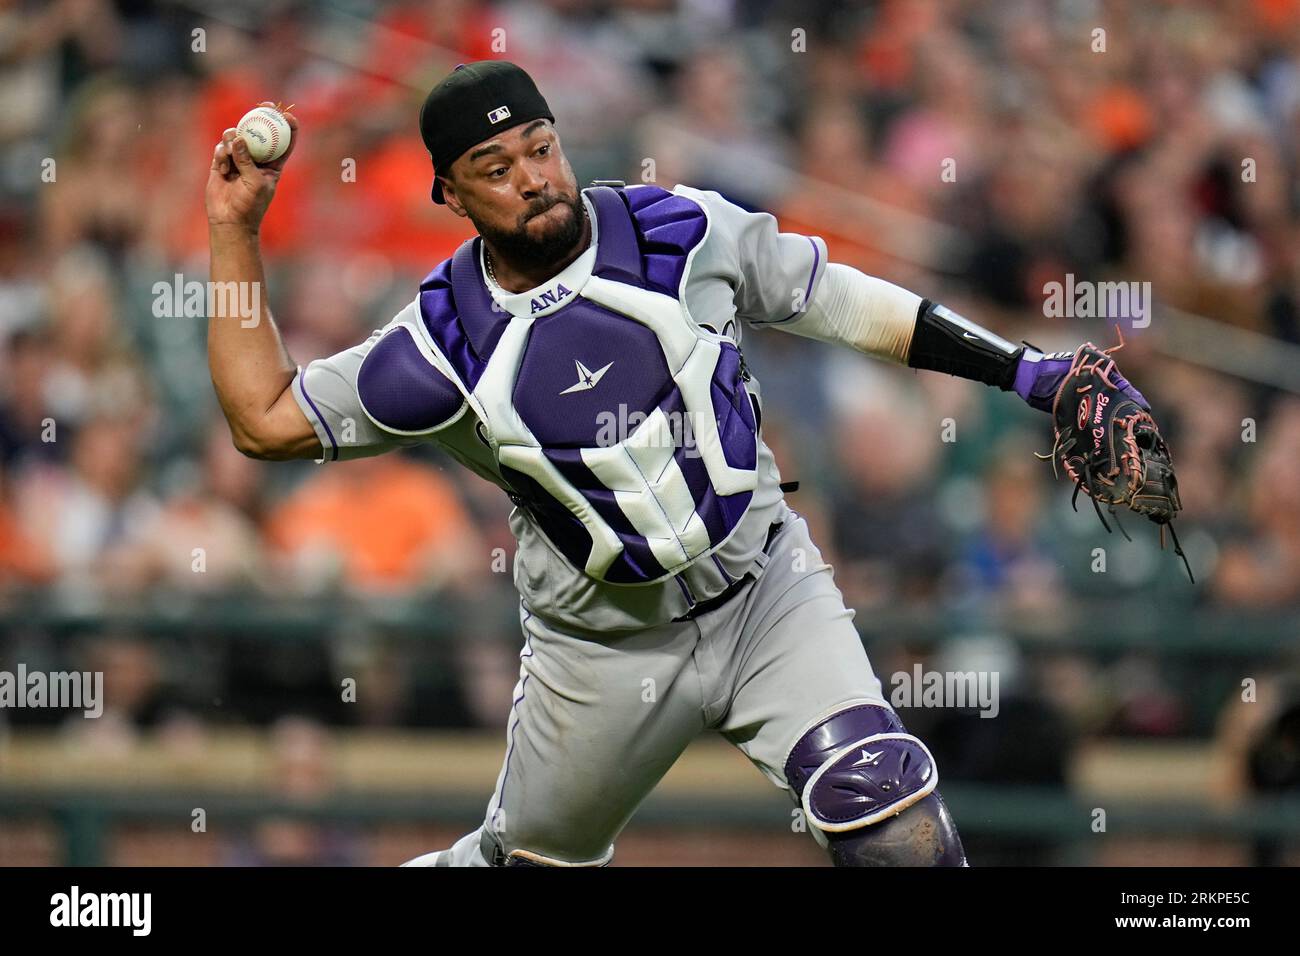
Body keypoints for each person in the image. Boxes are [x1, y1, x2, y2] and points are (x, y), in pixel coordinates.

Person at [205, 61, 1149, 867]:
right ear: (449, 196)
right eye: (495, 168)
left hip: (762, 589)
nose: (532, 178)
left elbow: (848, 304)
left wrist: (1029, 370)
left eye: (540, 147)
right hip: (603, 649)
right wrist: (236, 231)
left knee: (893, 819)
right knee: (525, 863)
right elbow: (266, 417)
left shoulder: (679, 231)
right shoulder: (438, 345)